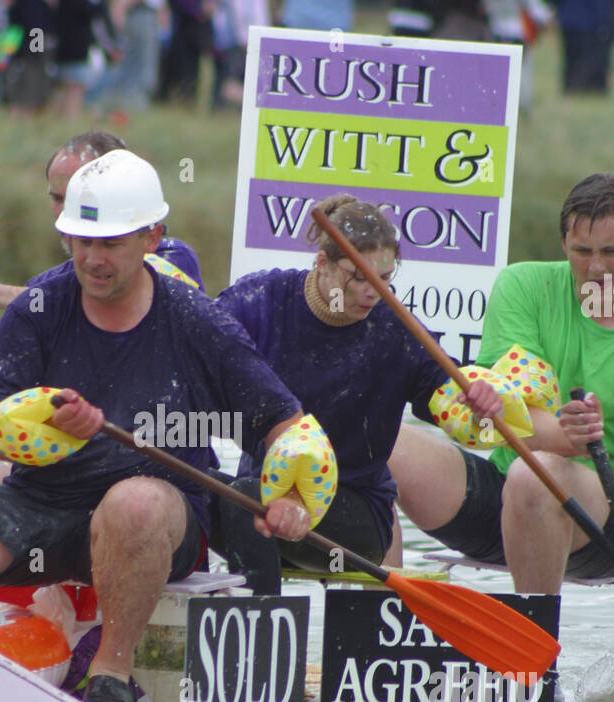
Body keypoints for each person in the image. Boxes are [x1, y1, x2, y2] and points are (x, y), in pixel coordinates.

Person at [0, 150, 316, 702]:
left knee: (135, 500)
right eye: (80, 241)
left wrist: (293, 500)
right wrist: (51, 430)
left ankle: (110, 677)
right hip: (41, 505)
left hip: (154, 521)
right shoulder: (38, 306)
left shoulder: (196, 318)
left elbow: (283, 420)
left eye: (111, 243)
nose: (92, 259)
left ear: (152, 237)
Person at [390, 173, 614, 625]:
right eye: (582, 252)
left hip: (610, 529)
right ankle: (373, 636)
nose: (596, 268)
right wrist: (570, 437)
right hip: (506, 496)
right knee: (382, 443)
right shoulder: (524, 287)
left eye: (610, 252)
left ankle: (534, 659)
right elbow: (508, 416)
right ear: (563, 242)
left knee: (534, 473)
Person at [213, 196, 502, 593]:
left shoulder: (396, 330)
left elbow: (455, 403)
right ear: (322, 263)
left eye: (385, 279)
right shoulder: (258, 302)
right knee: (188, 487)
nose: (374, 293)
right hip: (264, 499)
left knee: (245, 499)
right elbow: (196, 362)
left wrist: (481, 404)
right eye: (359, 277)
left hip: (357, 516)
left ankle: (263, 642)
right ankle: (250, 637)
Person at [0, 130, 204, 436]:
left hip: (154, 437)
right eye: (58, 198)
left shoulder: (173, 257)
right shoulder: (47, 285)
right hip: (73, 454)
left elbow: (93, 299)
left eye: (77, 197)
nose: (65, 213)